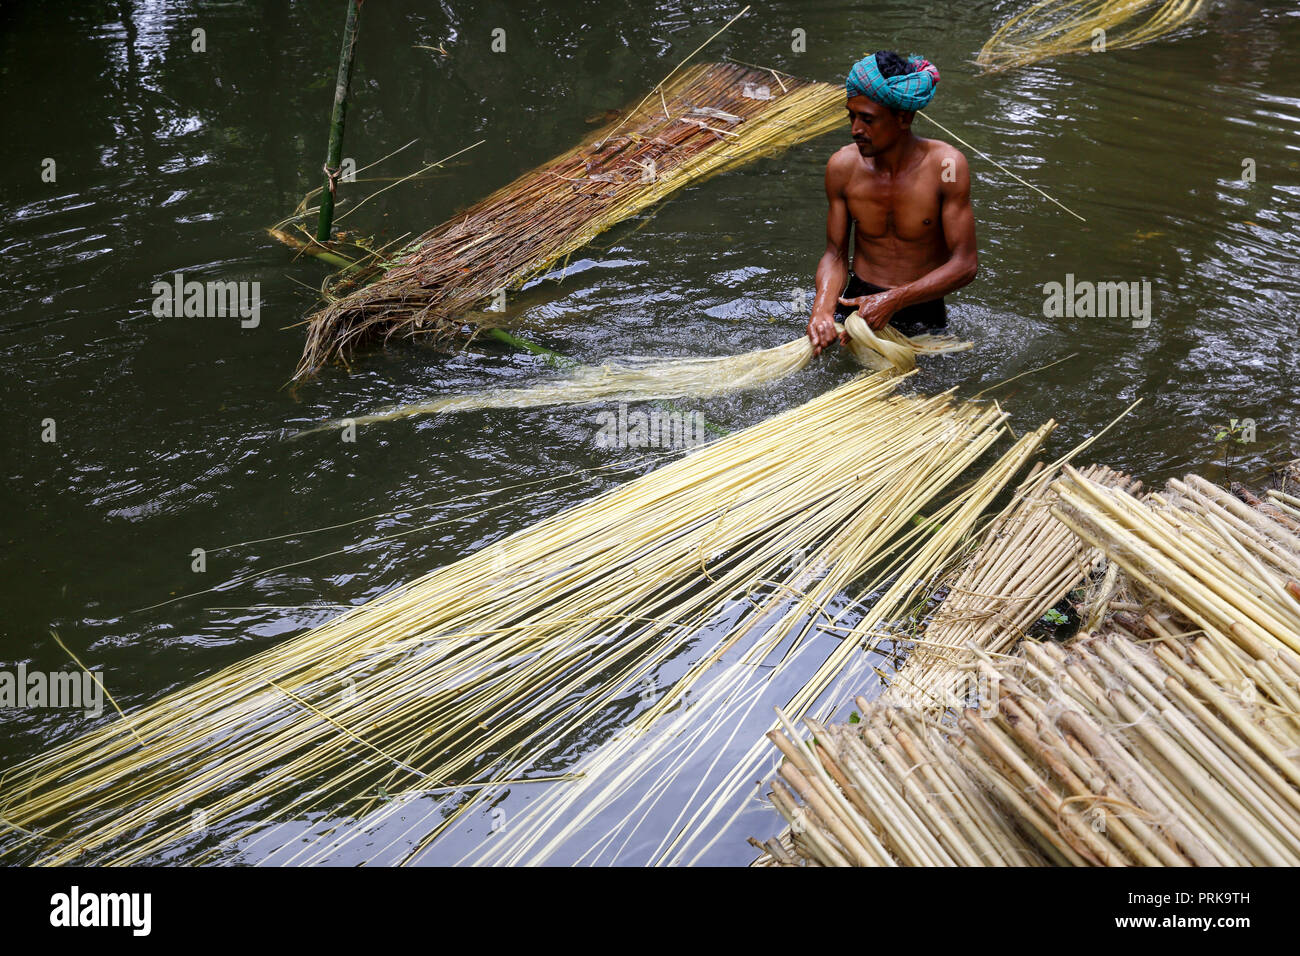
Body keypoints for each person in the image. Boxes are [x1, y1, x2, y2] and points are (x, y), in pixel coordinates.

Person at [806, 51, 978, 355]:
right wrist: (822, 309)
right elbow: (834, 255)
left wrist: (895, 299)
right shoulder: (842, 167)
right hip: (856, 304)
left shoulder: (947, 167)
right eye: (852, 116)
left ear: (903, 118)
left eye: (868, 119)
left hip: (921, 309)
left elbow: (965, 264)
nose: (855, 129)